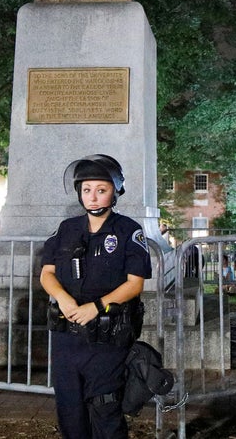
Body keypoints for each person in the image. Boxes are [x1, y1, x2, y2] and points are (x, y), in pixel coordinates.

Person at [41, 154, 151, 439]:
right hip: (67, 338)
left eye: (101, 190)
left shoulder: (128, 230)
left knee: (105, 406)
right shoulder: (67, 230)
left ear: (115, 192)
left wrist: (97, 306)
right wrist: (63, 299)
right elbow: (47, 273)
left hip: (107, 337)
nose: (92, 197)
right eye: (87, 190)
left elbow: (134, 284)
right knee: (70, 409)